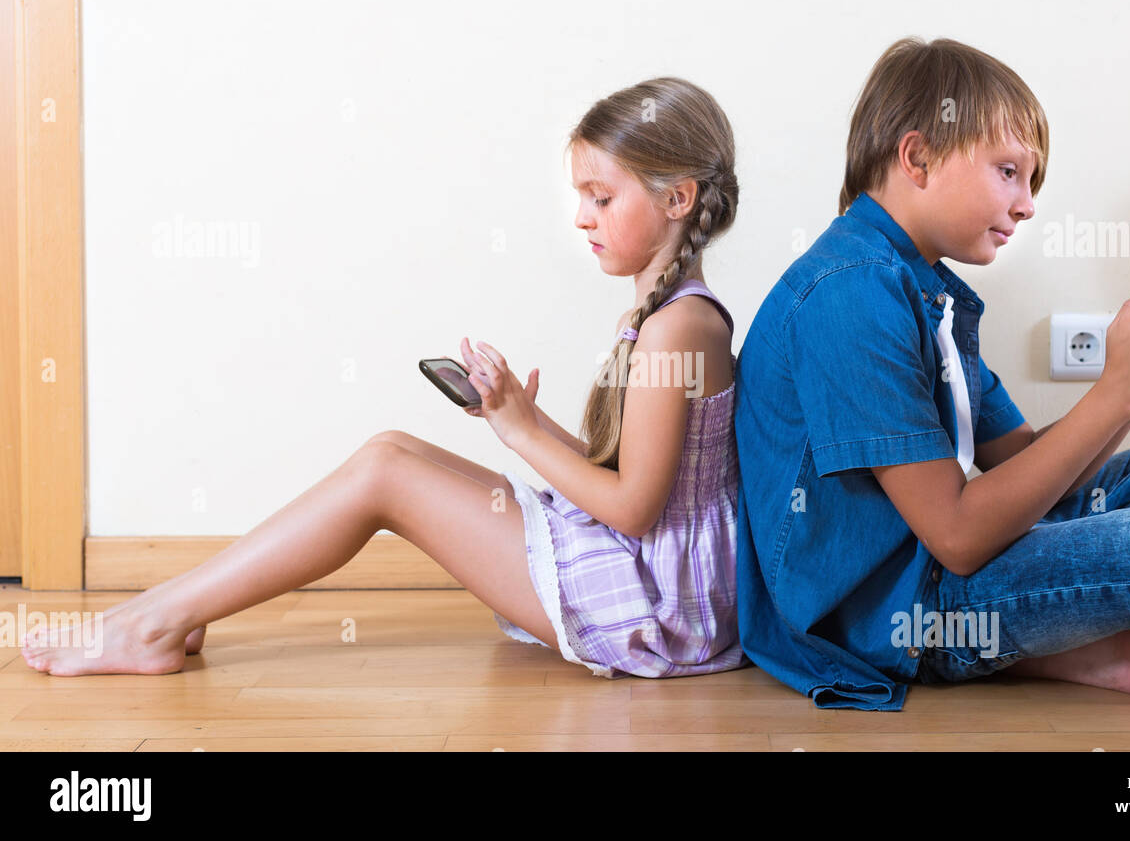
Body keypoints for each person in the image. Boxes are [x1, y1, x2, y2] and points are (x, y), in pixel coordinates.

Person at [22, 76, 746, 680]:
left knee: (383, 478)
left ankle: (153, 621)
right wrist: (520, 414)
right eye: (580, 197)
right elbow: (628, 476)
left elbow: (634, 509)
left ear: (678, 198)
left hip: (654, 607)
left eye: (602, 197)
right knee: (389, 452)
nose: (582, 217)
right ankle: (164, 608)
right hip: (651, 577)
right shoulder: (670, 316)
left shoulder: (677, 327)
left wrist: (522, 433)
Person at [732, 36, 1130, 711]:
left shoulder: (924, 288)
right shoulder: (851, 295)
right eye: (1009, 171)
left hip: (946, 564)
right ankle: (1057, 644)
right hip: (901, 615)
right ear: (918, 156)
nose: (1026, 205)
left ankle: (1068, 637)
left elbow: (1022, 461)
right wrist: (1116, 390)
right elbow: (959, 537)